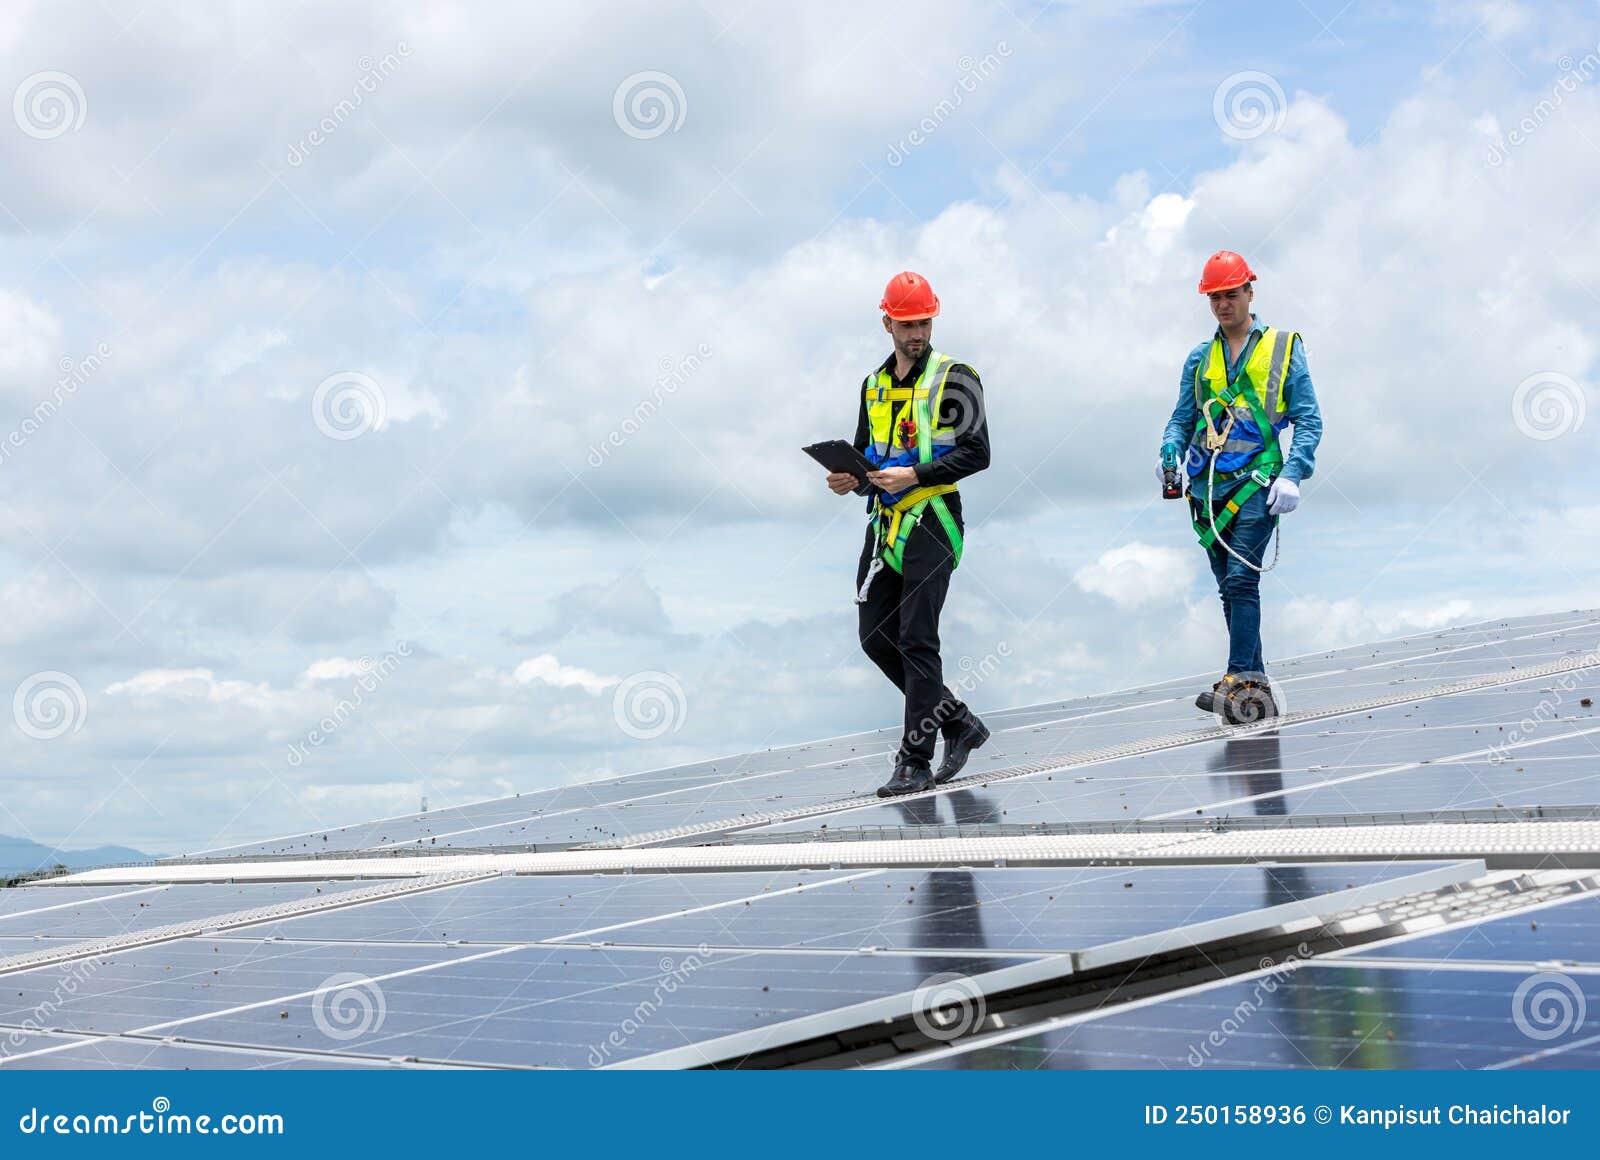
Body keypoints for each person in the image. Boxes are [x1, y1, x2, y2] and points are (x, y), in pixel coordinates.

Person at [826, 271, 992, 797]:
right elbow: (865, 457)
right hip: (886, 523)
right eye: (907, 324)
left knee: (917, 637)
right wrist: (849, 479)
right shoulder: (873, 385)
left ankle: (914, 761)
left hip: (935, 519)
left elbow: (978, 453)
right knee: (875, 637)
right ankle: (957, 720)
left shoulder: (956, 377)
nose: (917, 333)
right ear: (887, 324)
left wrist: (915, 475)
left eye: (923, 323)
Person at [1159, 251, 1322, 724]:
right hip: (1206, 488)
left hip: (1258, 480)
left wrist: (1293, 473)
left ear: (1250, 291)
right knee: (1229, 590)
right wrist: (1169, 450)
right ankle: (1256, 688)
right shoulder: (1199, 358)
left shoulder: (1283, 347)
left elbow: (1309, 419)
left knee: (1240, 580)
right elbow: (1182, 418)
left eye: (1230, 294)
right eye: (1214, 297)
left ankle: (1236, 677)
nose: (1222, 304)